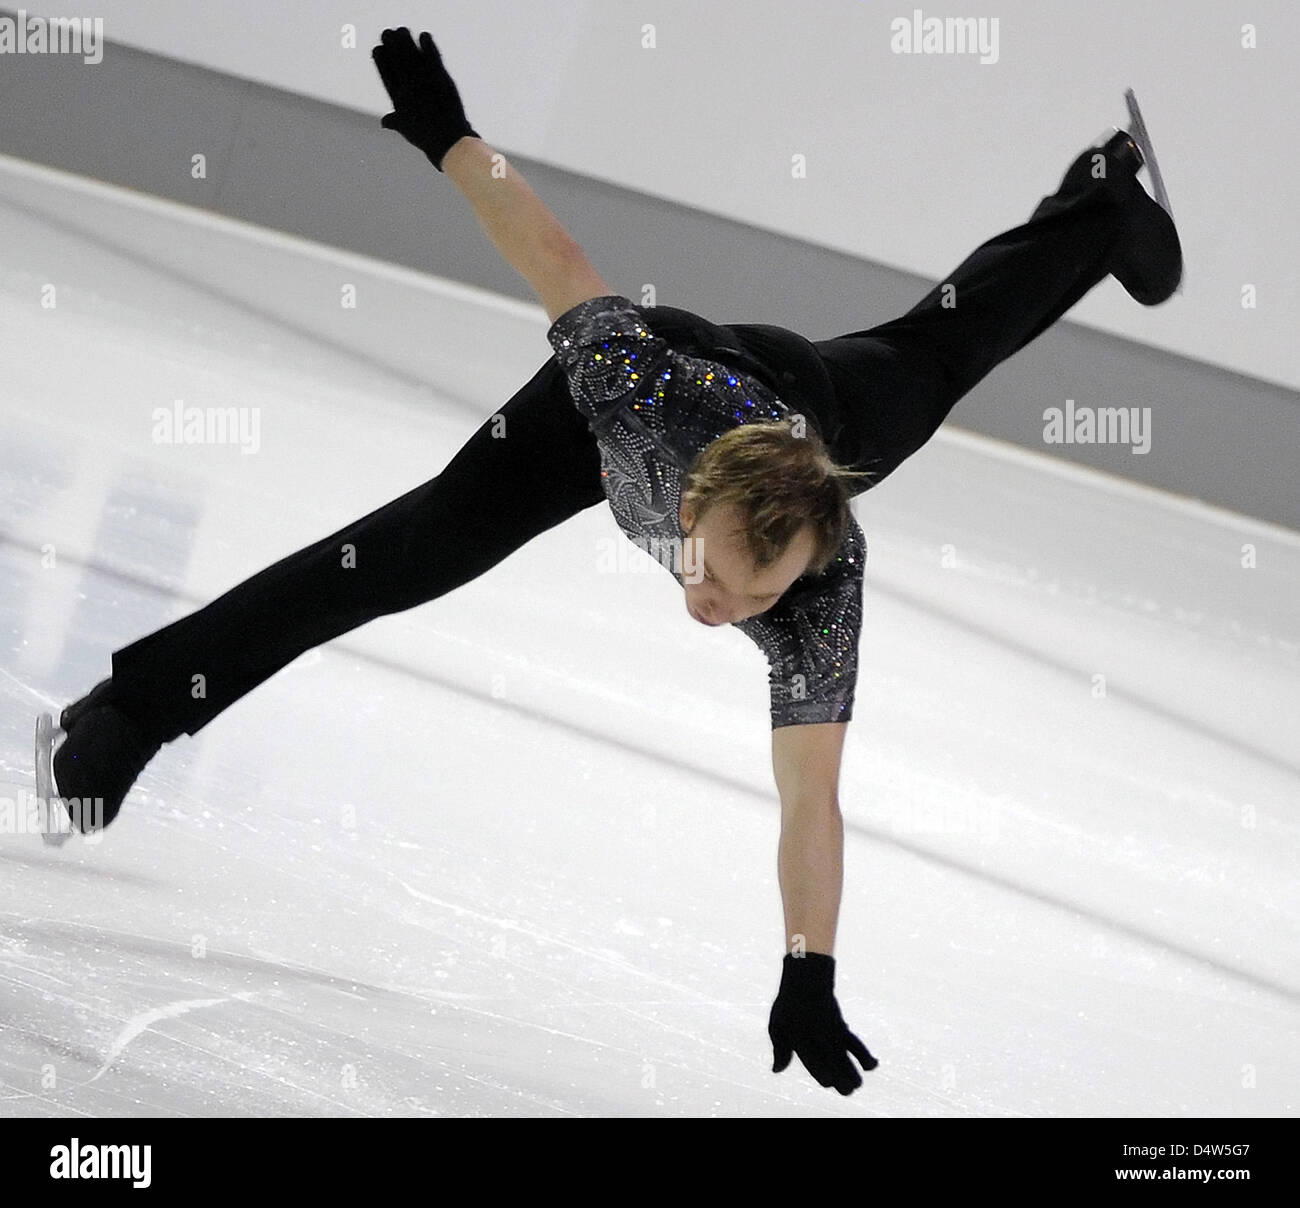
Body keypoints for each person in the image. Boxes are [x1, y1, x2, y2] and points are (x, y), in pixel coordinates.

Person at [43, 27, 1182, 1097]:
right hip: (630, 410)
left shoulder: (821, 589)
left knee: (944, 347)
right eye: (707, 571)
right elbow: (549, 249)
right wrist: (447, 130)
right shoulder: (629, 390)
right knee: (388, 557)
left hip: (817, 403)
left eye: (747, 595)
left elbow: (810, 801)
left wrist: (808, 968)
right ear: (687, 503)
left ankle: (1099, 201)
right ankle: (138, 703)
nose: (710, 605)